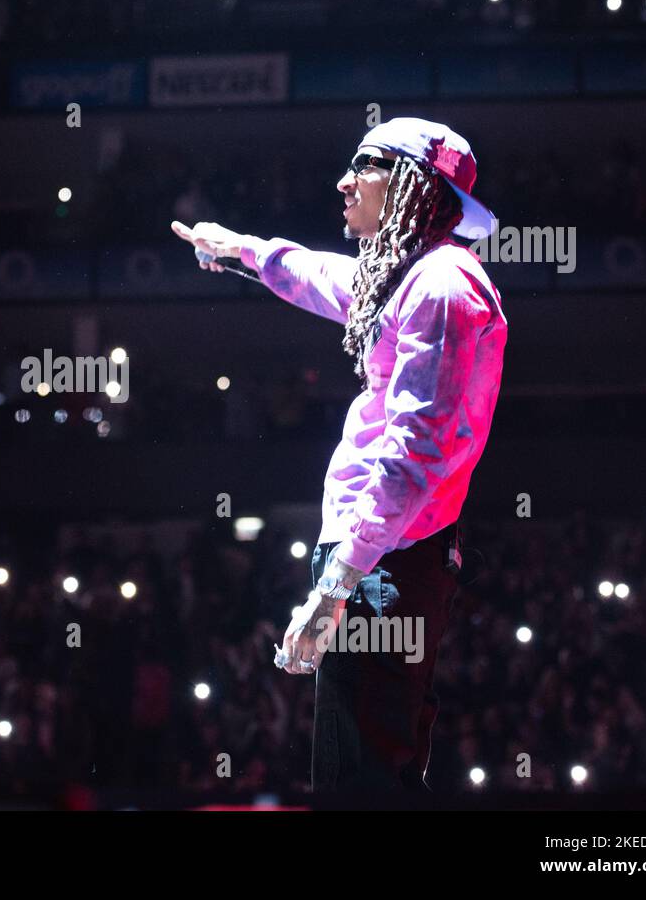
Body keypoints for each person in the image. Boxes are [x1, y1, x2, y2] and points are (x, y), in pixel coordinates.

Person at [170, 117, 508, 794]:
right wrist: (237, 248)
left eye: (366, 166)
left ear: (414, 183)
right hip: (383, 558)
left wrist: (332, 592)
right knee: (363, 768)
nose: (343, 181)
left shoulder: (443, 286)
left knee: (361, 775)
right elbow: (318, 274)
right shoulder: (411, 276)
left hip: (390, 561)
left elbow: (414, 459)